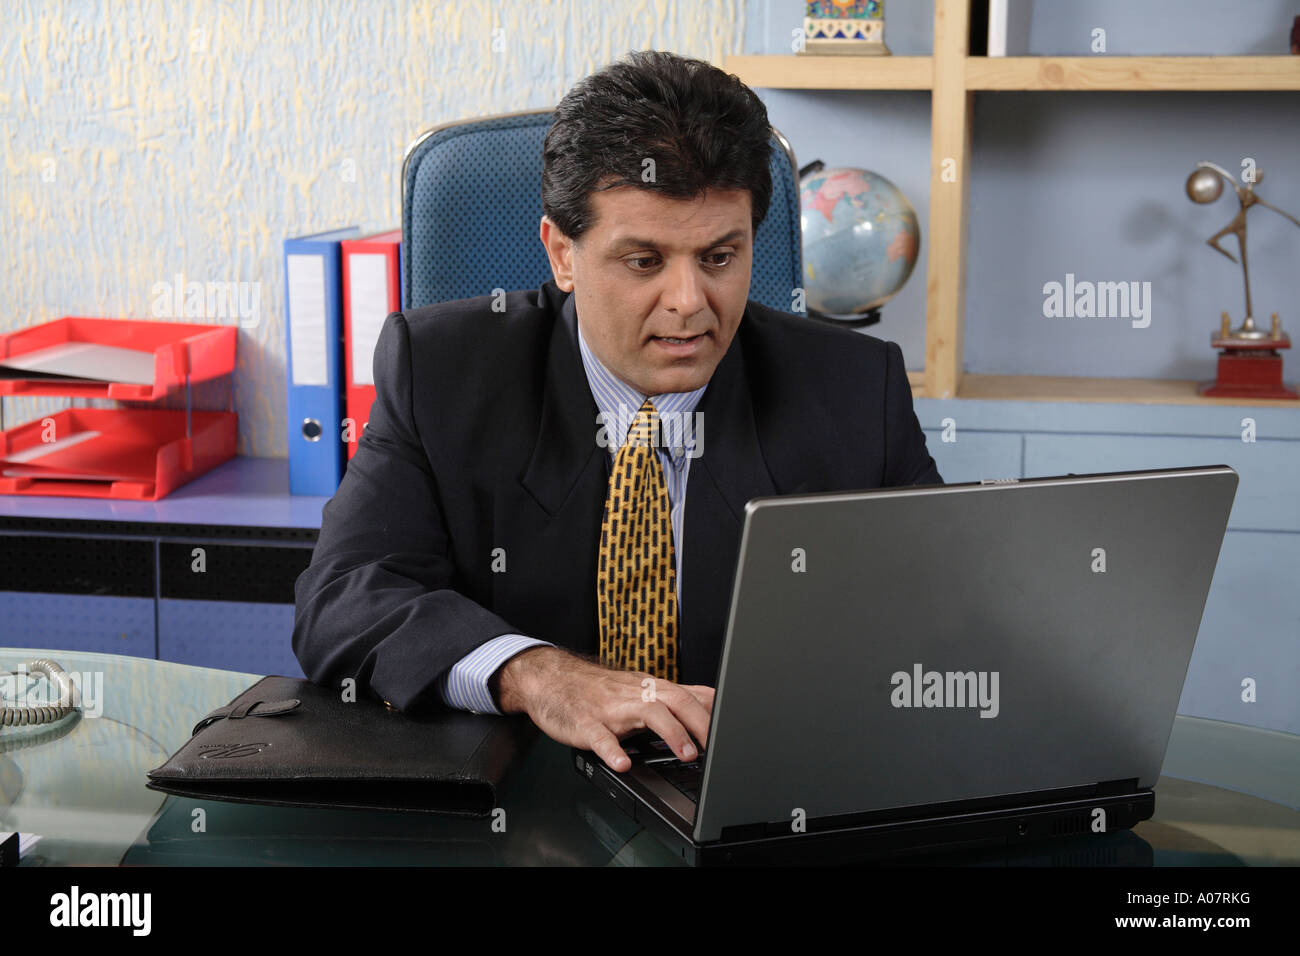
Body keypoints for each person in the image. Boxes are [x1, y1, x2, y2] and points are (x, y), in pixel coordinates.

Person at [292, 49, 942, 775]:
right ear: (562, 255)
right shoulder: (442, 371)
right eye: (644, 261)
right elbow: (344, 598)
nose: (691, 302)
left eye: (720, 257)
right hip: (516, 801)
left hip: (759, 800)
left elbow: (939, 614)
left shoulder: (856, 390)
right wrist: (536, 674)